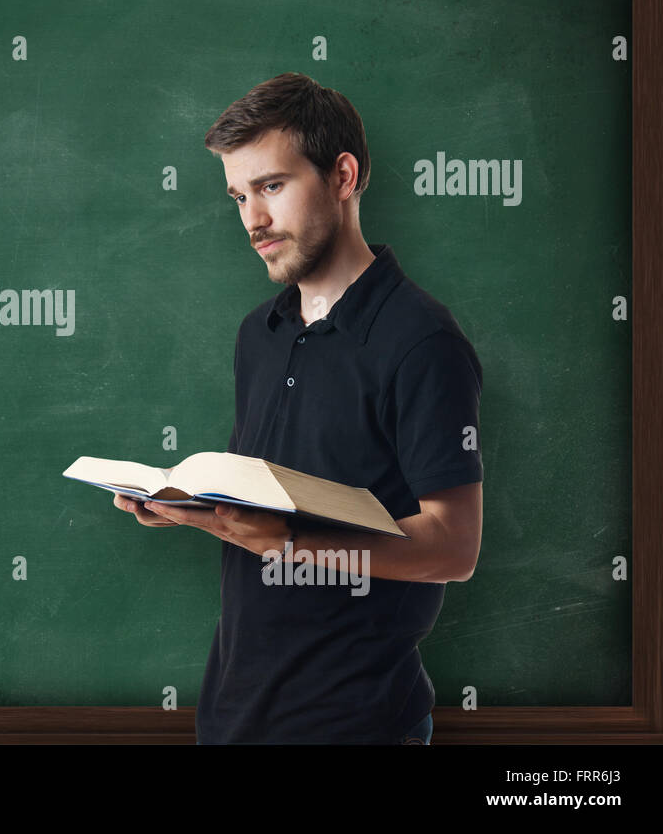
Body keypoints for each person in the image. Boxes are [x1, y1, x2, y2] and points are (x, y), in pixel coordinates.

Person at [114, 72, 483, 744]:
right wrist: (195, 509)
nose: (252, 220)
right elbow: (268, 504)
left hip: (357, 725)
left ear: (342, 176)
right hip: (232, 716)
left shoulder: (422, 341)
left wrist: (291, 546)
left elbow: (453, 546)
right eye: (239, 196)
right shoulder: (259, 334)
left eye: (272, 187)